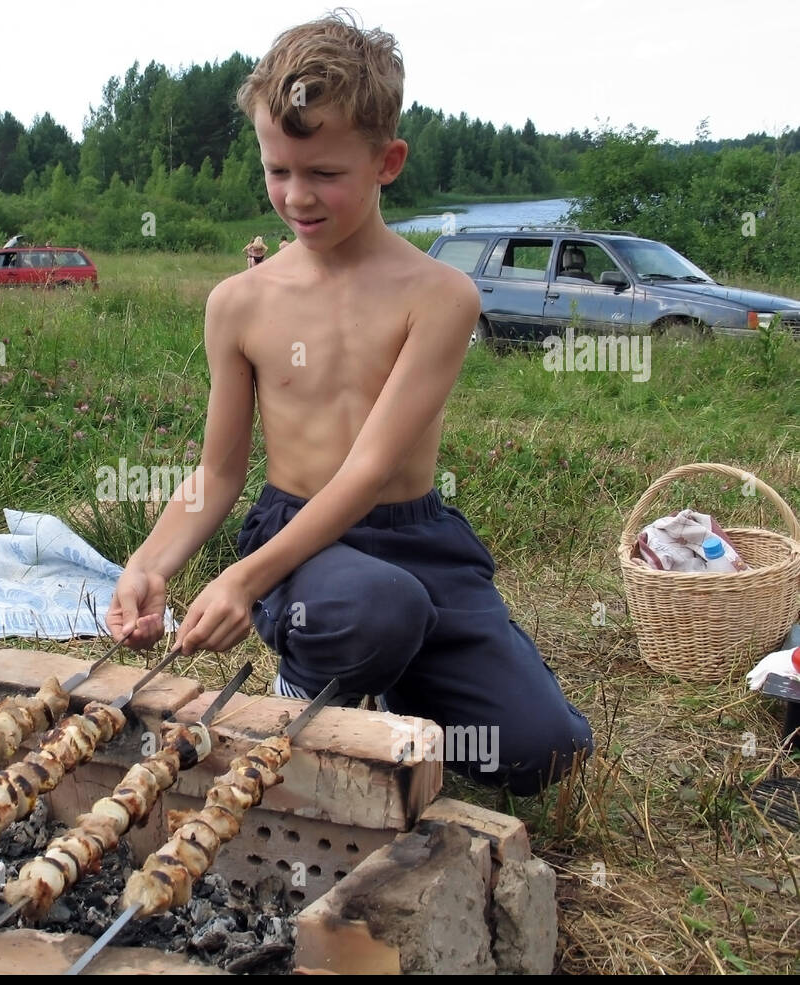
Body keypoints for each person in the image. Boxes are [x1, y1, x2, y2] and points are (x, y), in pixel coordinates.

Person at [106, 13, 592, 796]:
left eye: (324, 173)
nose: (296, 197)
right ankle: (307, 688)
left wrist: (241, 581)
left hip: (417, 540)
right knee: (374, 608)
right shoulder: (239, 302)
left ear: (386, 161)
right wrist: (151, 562)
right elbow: (219, 471)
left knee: (545, 751)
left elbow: (370, 468)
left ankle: (395, 678)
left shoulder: (440, 296)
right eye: (277, 170)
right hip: (299, 538)